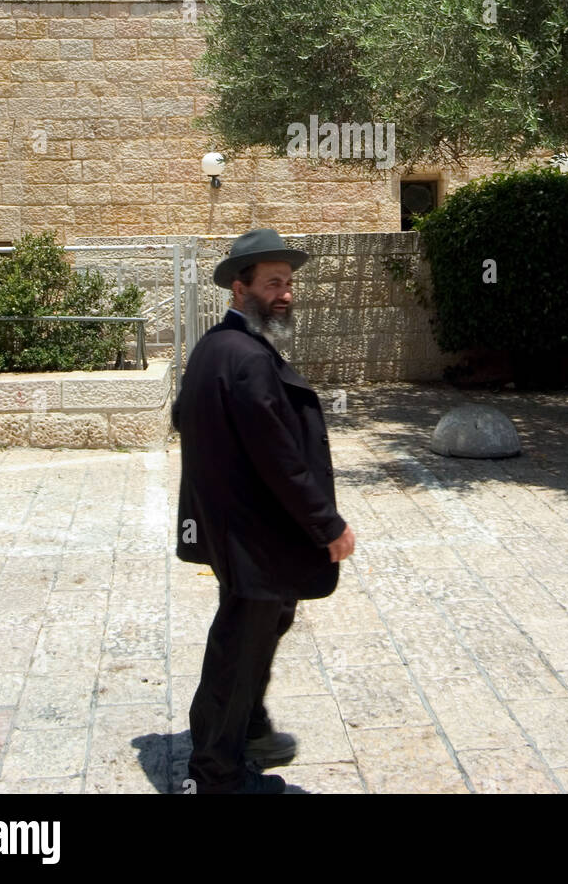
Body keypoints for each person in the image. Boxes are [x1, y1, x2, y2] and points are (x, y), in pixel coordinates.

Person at [173, 228, 355, 795]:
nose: (286, 294)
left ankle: (248, 728)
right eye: (273, 283)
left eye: (289, 283)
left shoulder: (214, 348)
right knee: (241, 642)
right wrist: (327, 525)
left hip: (242, 530)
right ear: (239, 285)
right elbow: (279, 457)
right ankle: (217, 774)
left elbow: (185, 416)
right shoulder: (246, 358)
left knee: (266, 622)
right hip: (255, 533)